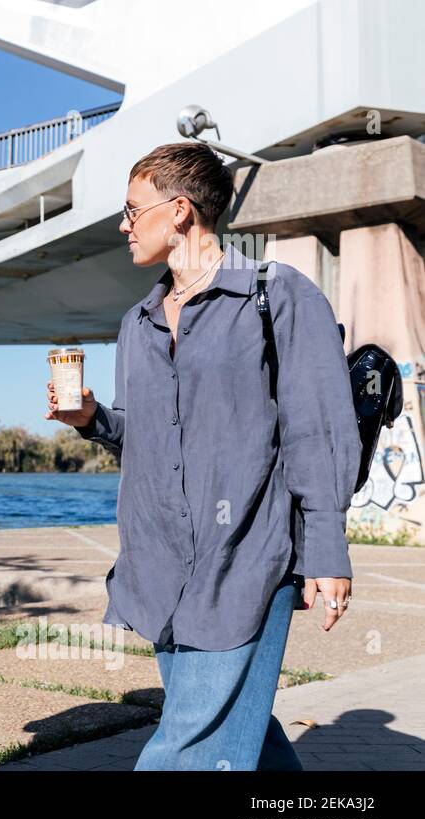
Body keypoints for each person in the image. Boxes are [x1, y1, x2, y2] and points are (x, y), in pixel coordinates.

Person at [47, 142, 361, 770]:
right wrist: (93, 419)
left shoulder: (276, 296)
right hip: (161, 567)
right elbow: (147, 435)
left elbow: (317, 430)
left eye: (133, 210)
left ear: (180, 211)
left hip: (245, 560)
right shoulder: (138, 322)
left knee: (188, 746)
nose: (123, 225)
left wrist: (327, 549)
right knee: (235, 727)